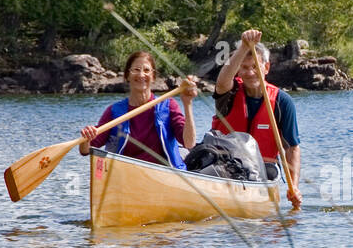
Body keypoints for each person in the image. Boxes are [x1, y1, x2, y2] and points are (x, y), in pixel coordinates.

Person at [214, 29, 302, 208]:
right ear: (238, 70)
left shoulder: (282, 102)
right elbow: (222, 82)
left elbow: (292, 148)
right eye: (244, 68)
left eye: (255, 66)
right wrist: (244, 47)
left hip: (262, 169)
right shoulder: (229, 93)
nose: (250, 73)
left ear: (266, 68)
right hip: (225, 164)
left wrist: (294, 187)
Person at [79, 51, 200, 167]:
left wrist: (187, 103)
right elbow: (86, 150)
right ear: (127, 75)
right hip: (128, 177)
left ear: (153, 77)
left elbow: (189, 143)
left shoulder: (168, 106)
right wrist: (86, 139)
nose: (142, 75)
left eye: (147, 70)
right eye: (136, 70)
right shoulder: (114, 111)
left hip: (165, 177)